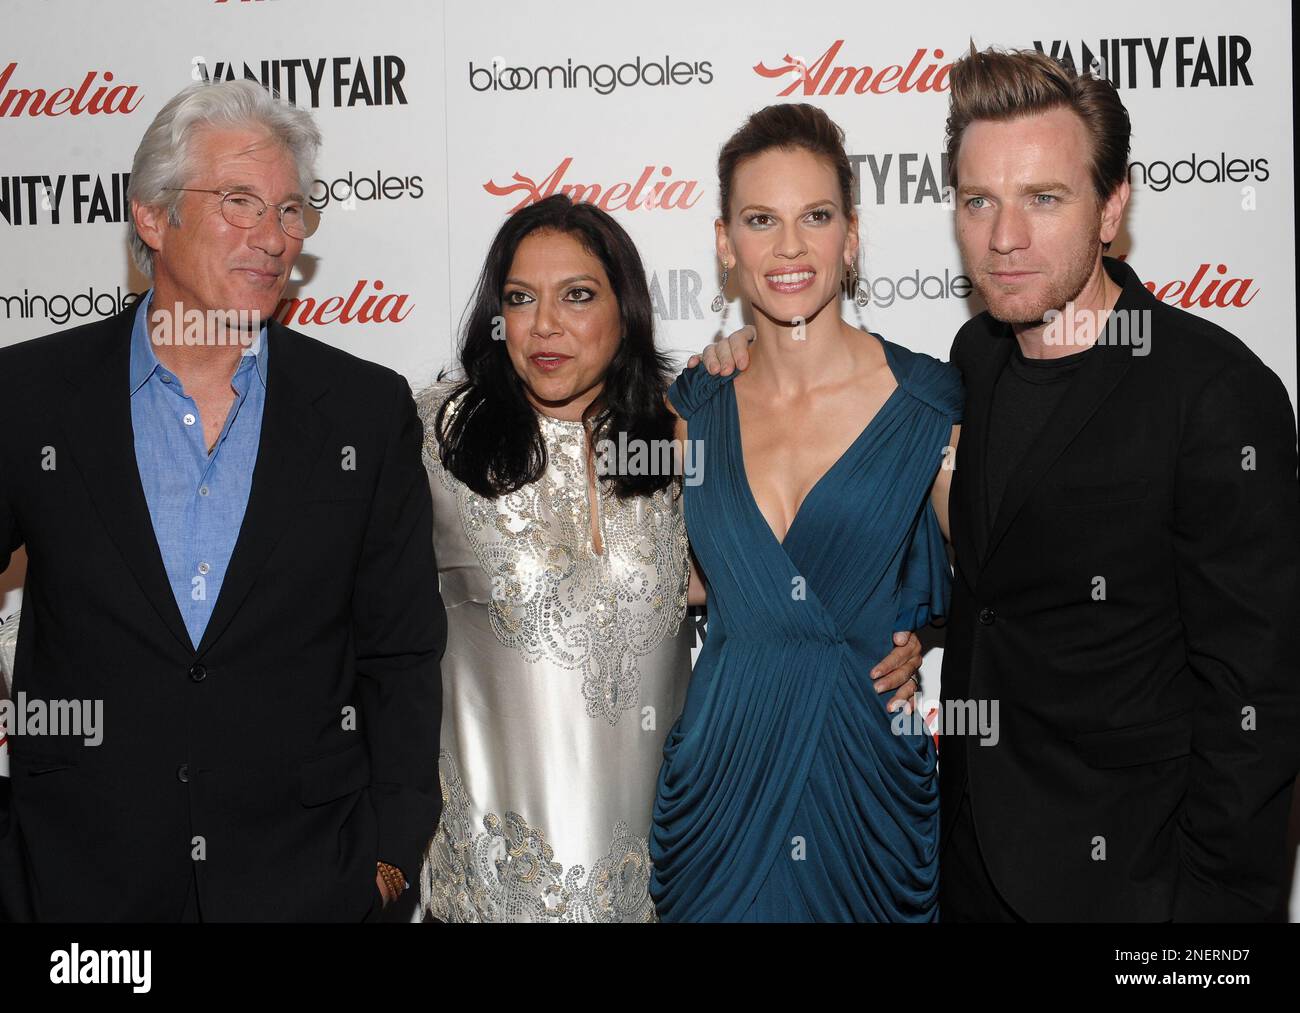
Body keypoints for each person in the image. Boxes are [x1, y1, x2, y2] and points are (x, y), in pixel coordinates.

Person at [696, 48, 1300, 922]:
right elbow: (994, 567)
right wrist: (914, 629)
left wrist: (1205, 946)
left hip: (1130, 885)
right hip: (961, 862)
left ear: (1113, 206)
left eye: (1043, 199)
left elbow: (1259, 701)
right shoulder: (970, 363)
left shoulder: (1210, 391)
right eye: (979, 200)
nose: (1004, 236)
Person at [413, 193, 929, 922]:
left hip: (668, 886)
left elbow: (785, 578)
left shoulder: (683, 432)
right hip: (487, 897)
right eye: (521, 299)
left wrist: (880, 636)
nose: (546, 325)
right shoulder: (433, 436)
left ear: (624, 312)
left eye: (579, 296)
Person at [0, 79, 445, 921]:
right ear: (153, 217)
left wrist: (388, 855)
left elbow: (401, 655)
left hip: (307, 879)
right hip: (79, 877)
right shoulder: (30, 397)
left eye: (288, 211)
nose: (273, 237)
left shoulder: (362, 408)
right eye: (238, 201)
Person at [650, 103, 963, 922]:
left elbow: (1009, 584)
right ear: (725, 243)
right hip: (723, 779)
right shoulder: (690, 410)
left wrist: (923, 630)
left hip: (864, 786)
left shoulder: (930, 404)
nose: (789, 247)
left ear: (850, 236)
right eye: (761, 220)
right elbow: (649, 585)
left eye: (815, 216)